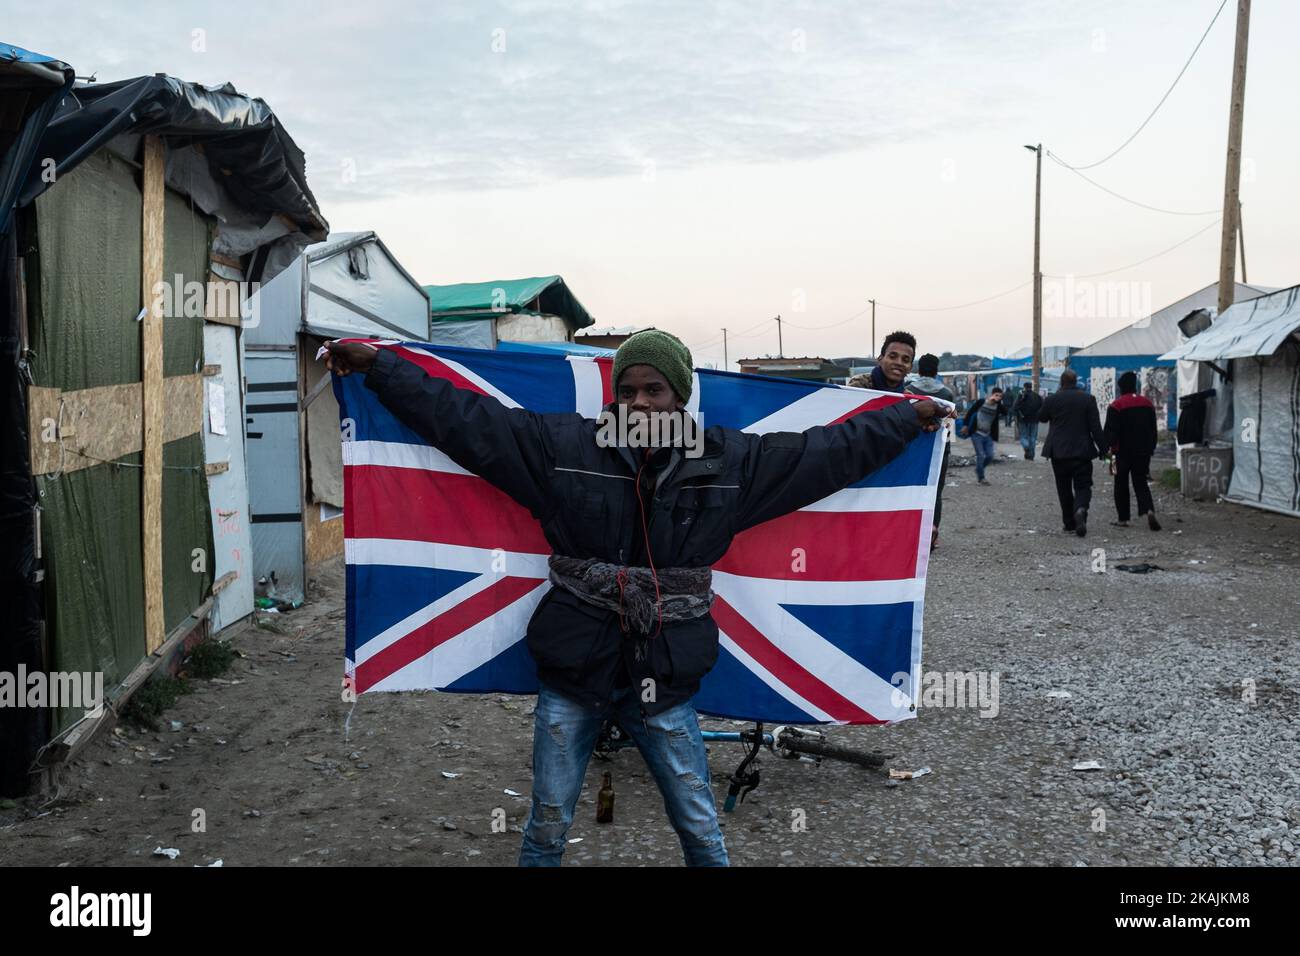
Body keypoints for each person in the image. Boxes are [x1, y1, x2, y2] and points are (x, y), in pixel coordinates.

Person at [322, 331, 946, 867]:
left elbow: (825, 453)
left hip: (665, 676)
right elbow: (462, 418)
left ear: (680, 395)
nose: (640, 402)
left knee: (699, 826)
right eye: (628, 391)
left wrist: (905, 418)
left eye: (655, 390)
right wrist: (380, 368)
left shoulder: (730, 462)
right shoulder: (561, 449)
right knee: (545, 822)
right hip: (574, 669)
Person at [1037, 368, 1106, 537]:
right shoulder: (1088, 399)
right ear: (1076, 382)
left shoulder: (1052, 399)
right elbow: (1095, 427)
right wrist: (1104, 449)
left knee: (1064, 487)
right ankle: (1081, 509)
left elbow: (1042, 417)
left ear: (1061, 382)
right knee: (1083, 485)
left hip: (1058, 452)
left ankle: (1069, 523)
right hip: (1082, 451)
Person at [905, 353, 955, 551]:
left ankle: (912, 533)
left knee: (912, 490)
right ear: (936, 370)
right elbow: (949, 426)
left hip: (914, 446)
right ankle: (932, 536)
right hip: (939, 447)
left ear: (918, 369)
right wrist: (947, 446)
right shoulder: (947, 393)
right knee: (936, 491)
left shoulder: (909, 391)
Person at [1103, 370, 1161, 530]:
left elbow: (1110, 433)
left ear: (1120, 387)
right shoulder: (1147, 404)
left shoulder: (1116, 405)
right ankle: (1148, 510)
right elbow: (1153, 430)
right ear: (1135, 386)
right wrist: (1151, 448)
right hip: (1143, 452)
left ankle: (1123, 519)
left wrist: (1106, 454)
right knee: (1141, 481)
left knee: (1120, 484)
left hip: (1119, 453)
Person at [847, 331, 916, 393]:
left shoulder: (908, 398)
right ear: (880, 359)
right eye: (892, 357)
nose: (898, 363)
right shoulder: (858, 386)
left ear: (910, 368)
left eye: (905, 360)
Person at [959, 387, 1001, 485]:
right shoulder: (981, 402)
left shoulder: (998, 406)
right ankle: (981, 478)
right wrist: (965, 425)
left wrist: (998, 402)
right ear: (991, 394)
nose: (998, 397)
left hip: (988, 435)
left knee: (990, 456)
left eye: (1000, 396)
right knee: (981, 455)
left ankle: (979, 469)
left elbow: (1006, 412)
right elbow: (970, 413)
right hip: (976, 433)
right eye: (996, 395)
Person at [1012, 382, 1043, 460]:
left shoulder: (1021, 395)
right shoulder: (1037, 396)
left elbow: (1015, 407)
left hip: (1022, 420)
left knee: (1023, 436)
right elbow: (1042, 407)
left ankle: (1027, 447)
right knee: (1033, 437)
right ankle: (1031, 456)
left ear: (1024, 387)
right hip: (1035, 420)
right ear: (1031, 387)